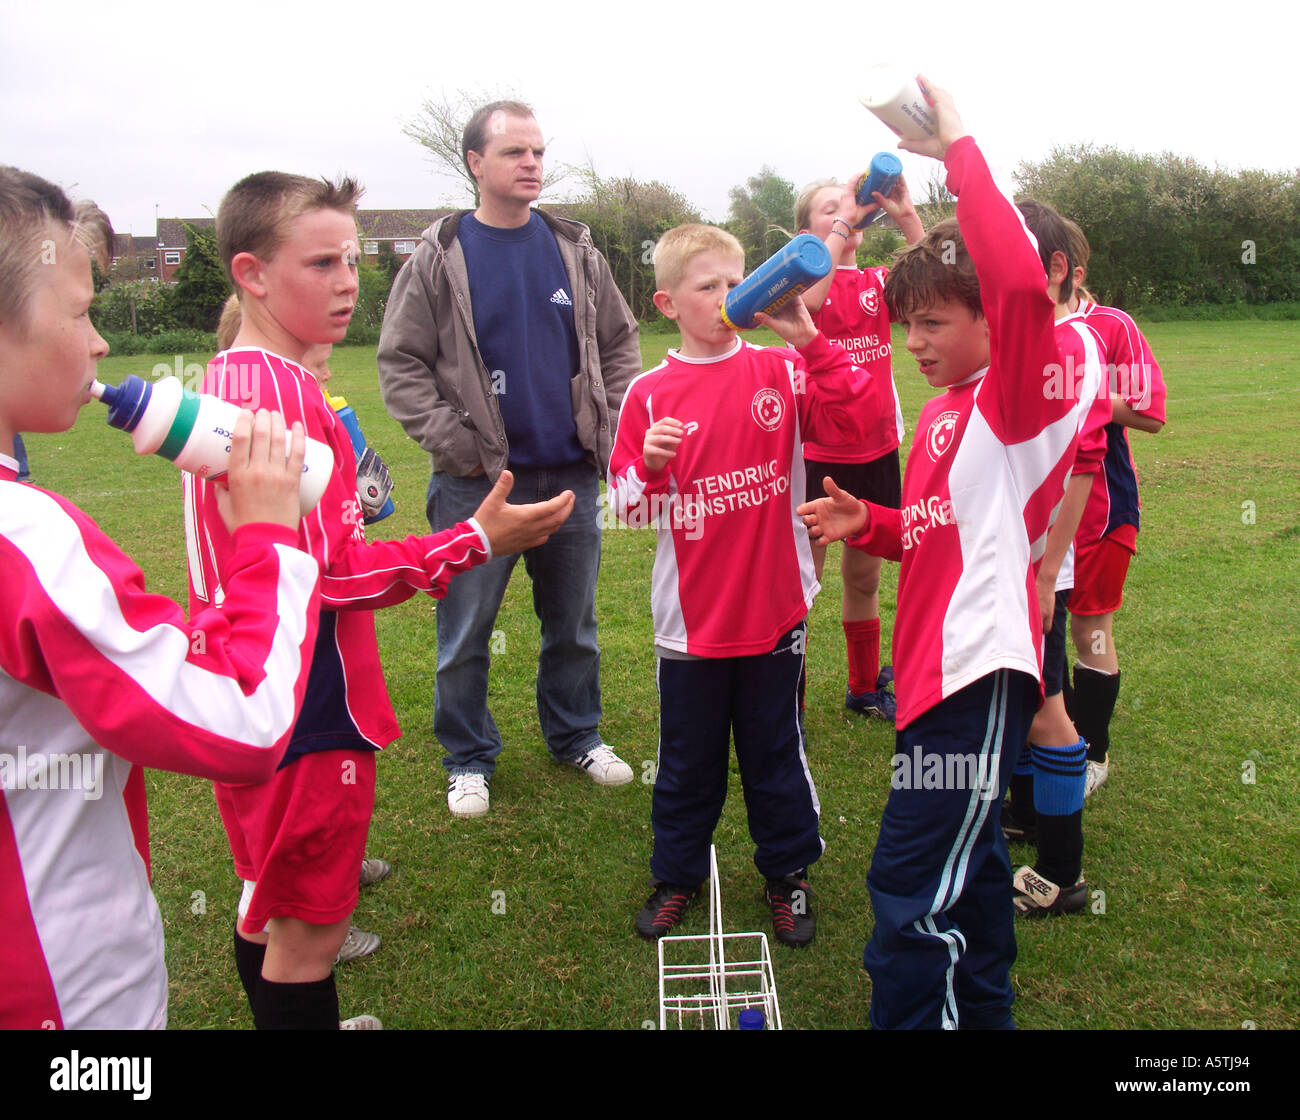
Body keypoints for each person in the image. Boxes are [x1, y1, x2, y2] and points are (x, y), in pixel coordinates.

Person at [186, 170, 575, 1029]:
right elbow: (325, 575)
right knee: (305, 940)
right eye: (321, 263)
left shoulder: (236, 372)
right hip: (304, 695)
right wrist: (475, 539)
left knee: (266, 899)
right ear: (251, 274)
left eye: (353, 260)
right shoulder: (278, 396)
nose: (349, 281)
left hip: (251, 682)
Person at [0, 167, 322, 1029]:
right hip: (63, 995)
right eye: (78, 312)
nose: (101, 342)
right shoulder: (24, 540)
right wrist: (265, 540)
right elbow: (242, 719)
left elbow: (127, 659)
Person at [797, 80, 1081, 1027]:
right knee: (973, 876)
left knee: (910, 889)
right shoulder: (946, 415)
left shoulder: (1015, 399)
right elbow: (934, 536)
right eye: (906, 324)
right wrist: (869, 526)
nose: (913, 341)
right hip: (928, 681)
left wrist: (956, 146)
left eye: (935, 324)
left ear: (997, 325)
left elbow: (1010, 273)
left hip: (971, 677)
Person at [609, 223, 879, 948]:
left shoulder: (779, 372)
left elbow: (861, 414)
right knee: (687, 760)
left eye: (738, 283)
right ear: (668, 302)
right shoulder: (648, 394)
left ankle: (787, 873)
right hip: (691, 624)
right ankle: (676, 876)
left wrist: (809, 340)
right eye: (709, 287)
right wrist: (654, 468)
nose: (728, 298)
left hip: (775, 610)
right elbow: (628, 512)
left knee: (774, 751)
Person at [378, 100, 642, 818]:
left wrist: (609, 418)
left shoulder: (574, 248)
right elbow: (401, 363)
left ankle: (576, 735)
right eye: (513, 153)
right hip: (476, 484)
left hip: (569, 474)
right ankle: (467, 758)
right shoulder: (438, 254)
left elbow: (620, 342)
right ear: (475, 164)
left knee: (575, 625)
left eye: (537, 152)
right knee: (464, 631)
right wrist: (456, 444)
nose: (531, 164)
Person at [1001, 198, 1113, 917]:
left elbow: (1085, 465)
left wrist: (1045, 574)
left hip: (1038, 572)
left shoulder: (1072, 345)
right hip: (1018, 567)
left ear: (1058, 271)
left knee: (1048, 710)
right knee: (1026, 695)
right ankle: (1028, 814)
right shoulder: (1040, 335)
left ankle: (1062, 871)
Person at [794, 171, 923, 720]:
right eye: (829, 208)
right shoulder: (799, 280)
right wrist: (845, 218)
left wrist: (905, 214)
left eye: (847, 207)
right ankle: (784, 691)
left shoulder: (875, 282)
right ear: (806, 233)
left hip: (876, 450)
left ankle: (863, 686)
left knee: (865, 575)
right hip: (819, 451)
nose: (845, 212)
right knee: (806, 580)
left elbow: (940, 276)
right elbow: (811, 299)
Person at [1060, 233, 1167, 796]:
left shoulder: (1112, 326)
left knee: (1088, 628)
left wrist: (1081, 391)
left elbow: (1149, 414)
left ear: (1071, 272)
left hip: (1101, 509)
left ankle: (1092, 753)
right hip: (1038, 513)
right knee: (1044, 627)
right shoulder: (1016, 323)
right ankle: (1056, 744)